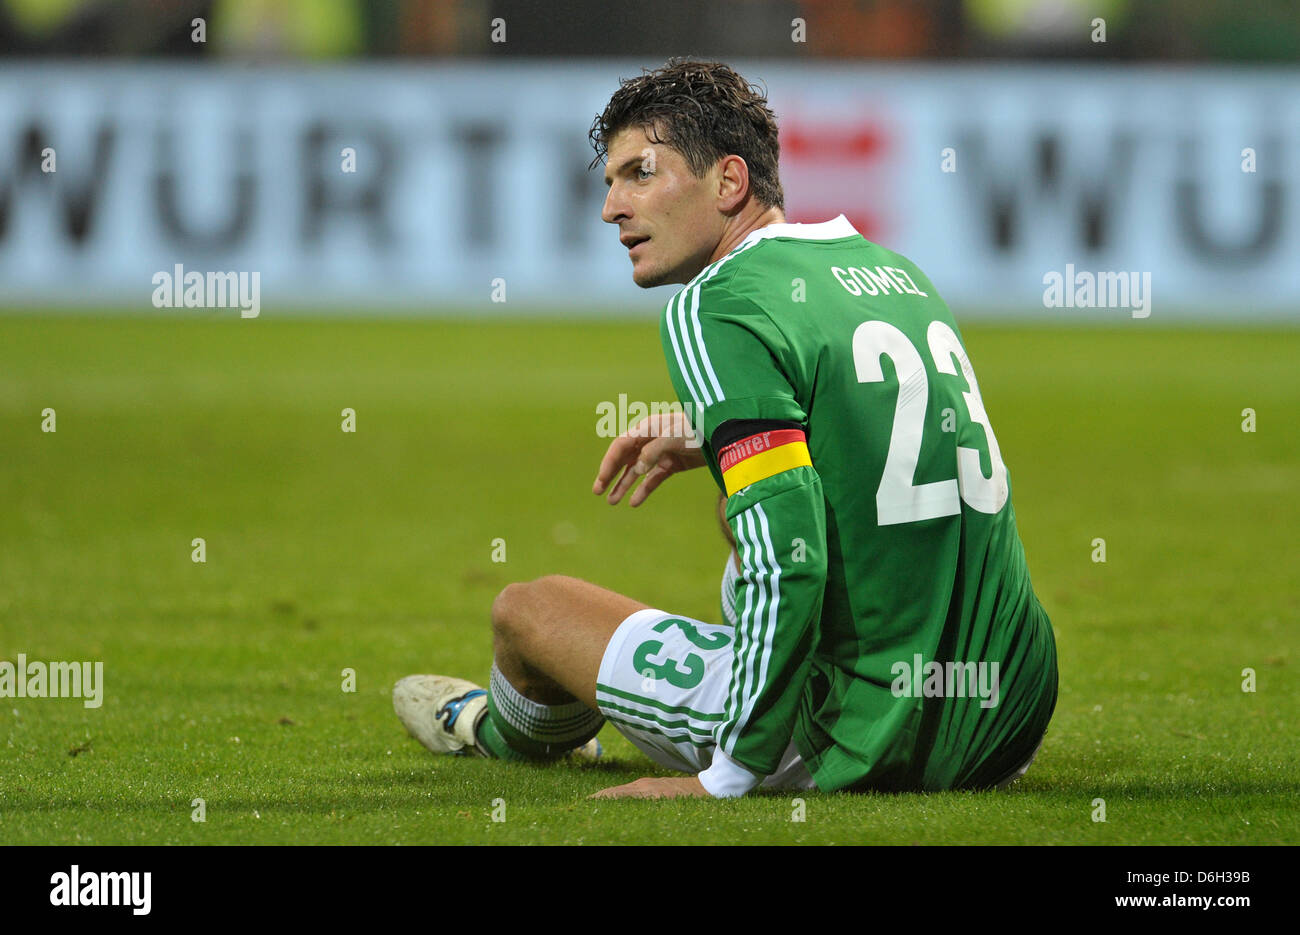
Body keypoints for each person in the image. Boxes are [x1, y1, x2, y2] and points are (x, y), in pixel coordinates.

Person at [393, 58, 1058, 799]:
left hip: (867, 734)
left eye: (639, 174)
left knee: (526, 612)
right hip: (1006, 714)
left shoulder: (719, 305)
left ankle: (489, 727)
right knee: (735, 499)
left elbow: (790, 556)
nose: (612, 208)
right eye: (610, 181)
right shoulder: (893, 271)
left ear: (729, 182)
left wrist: (727, 777)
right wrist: (714, 432)